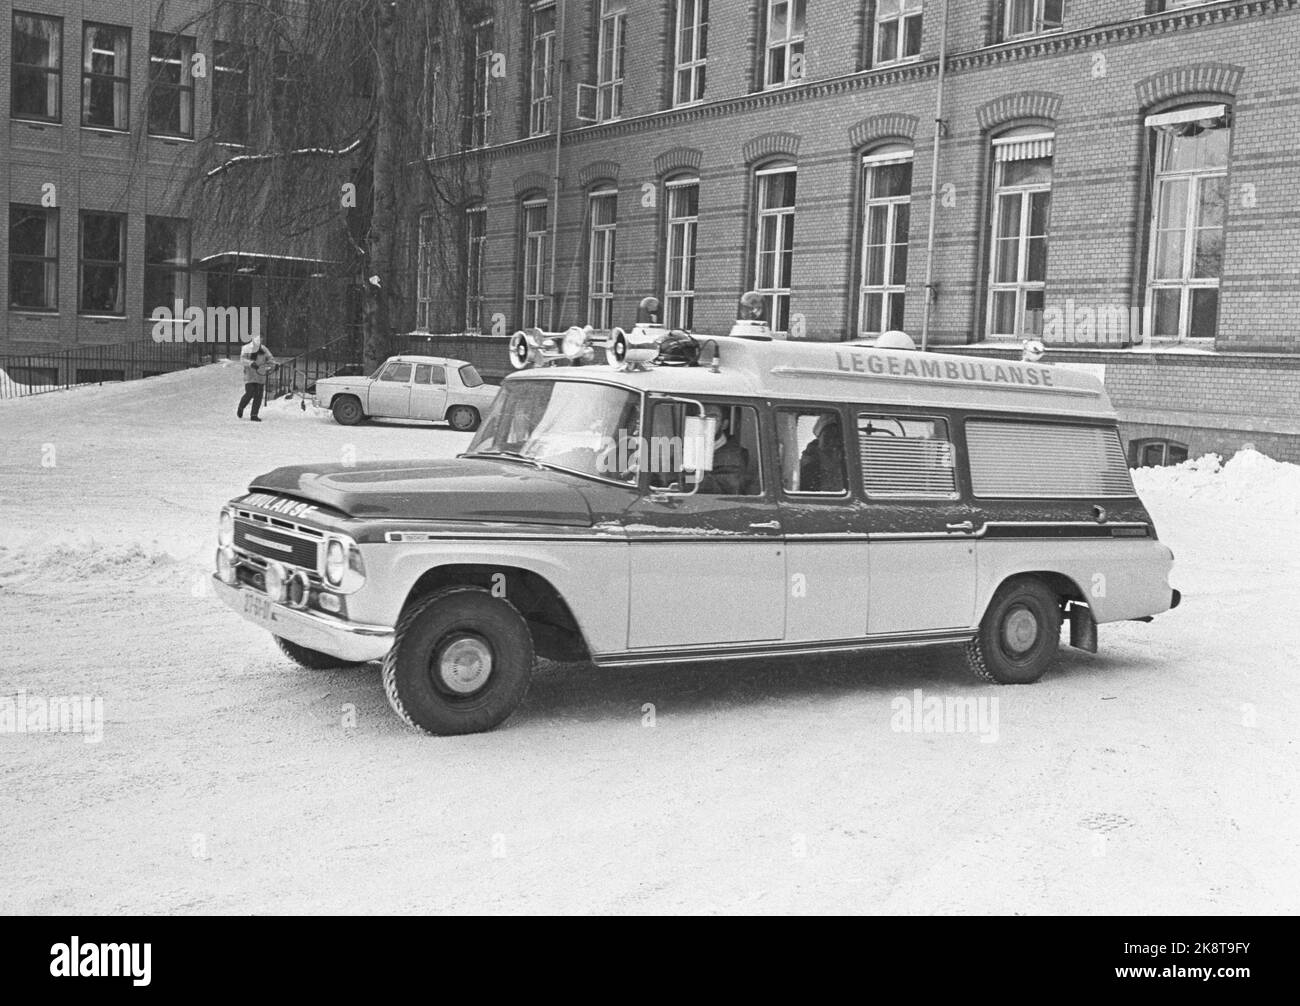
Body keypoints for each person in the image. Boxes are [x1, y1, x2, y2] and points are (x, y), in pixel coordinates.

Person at [698, 404, 752, 495]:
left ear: (724, 424)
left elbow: (726, 489)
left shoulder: (736, 456)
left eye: (712, 417)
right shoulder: (685, 450)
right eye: (700, 417)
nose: (705, 422)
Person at [799, 414, 845, 492]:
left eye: (837, 436)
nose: (832, 441)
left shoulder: (848, 464)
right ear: (818, 440)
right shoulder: (809, 468)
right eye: (828, 436)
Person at [237, 337, 275, 421]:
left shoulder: (264, 349)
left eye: (260, 339)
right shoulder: (246, 348)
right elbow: (242, 359)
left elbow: (270, 359)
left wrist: (274, 366)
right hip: (249, 375)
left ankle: (254, 415)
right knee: (249, 393)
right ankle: (241, 407)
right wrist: (251, 363)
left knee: (258, 395)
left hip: (260, 375)